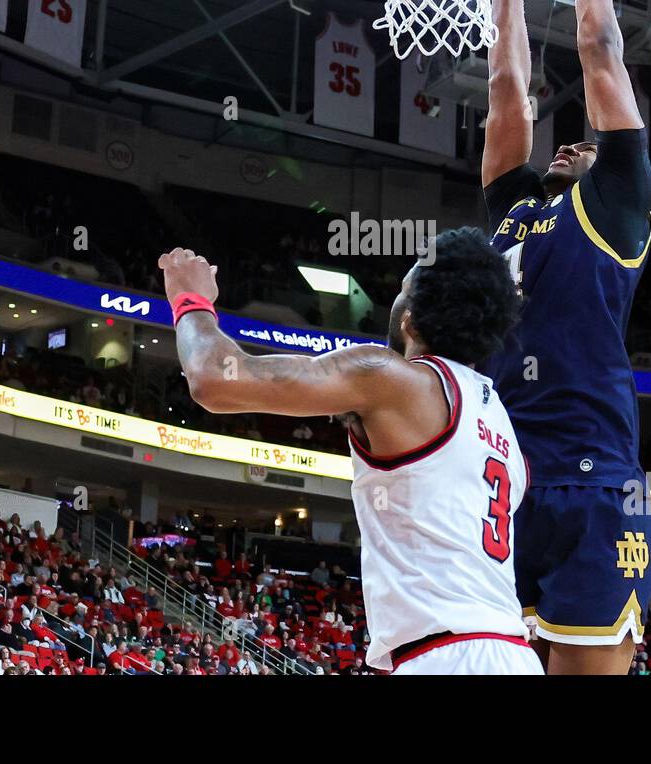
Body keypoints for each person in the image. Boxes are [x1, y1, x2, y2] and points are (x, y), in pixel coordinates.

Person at [160, 227, 538, 675]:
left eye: (401, 290)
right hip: (511, 653)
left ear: (410, 319)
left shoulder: (386, 377)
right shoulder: (502, 426)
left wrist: (190, 301)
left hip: (446, 658)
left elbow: (213, 378)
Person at [479, 0, 651, 675]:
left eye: (584, 140)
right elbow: (506, 91)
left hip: (596, 487)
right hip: (498, 481)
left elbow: (600, 50)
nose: (570, 143)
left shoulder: (615, 204)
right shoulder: (511, 209)